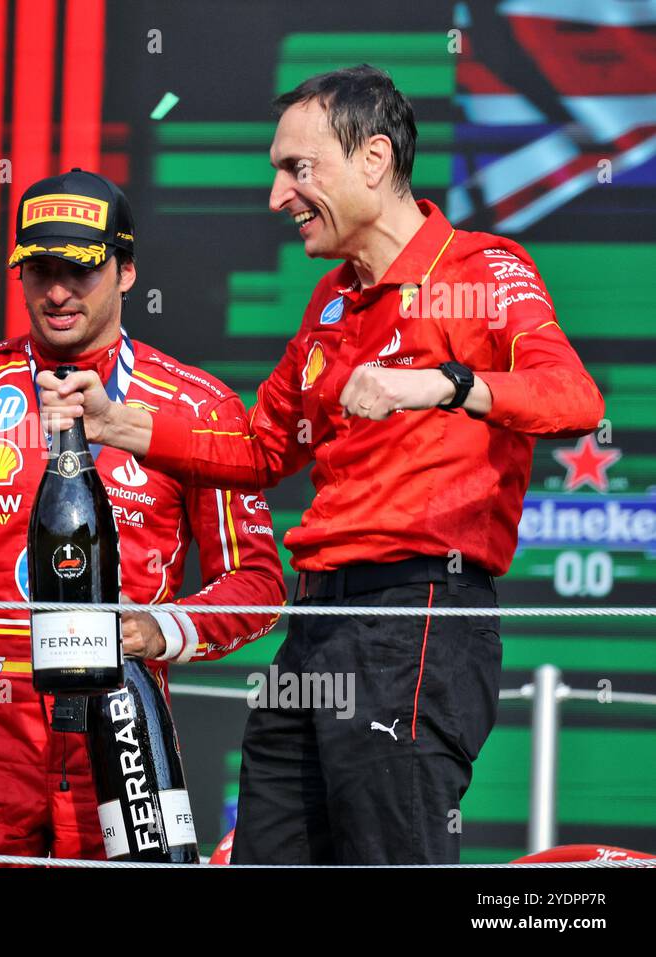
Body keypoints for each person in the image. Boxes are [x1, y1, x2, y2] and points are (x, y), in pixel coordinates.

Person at [40, 67, 605, 865]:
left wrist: (440, 384)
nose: (278, 196)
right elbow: (260, 449)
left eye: (297, 169)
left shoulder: (481, 272)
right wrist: (120, 425)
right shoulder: (330, 305)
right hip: (315, 631)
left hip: (416, 618)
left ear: (374, 158)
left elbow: (574, 397)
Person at [0, 169, 286, 865]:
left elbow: (260, 583)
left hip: (123, 736)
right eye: (39, 269)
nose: (56, 291)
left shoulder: (197, 408)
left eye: (80, 270)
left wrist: (160, 628)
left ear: (126, 271)